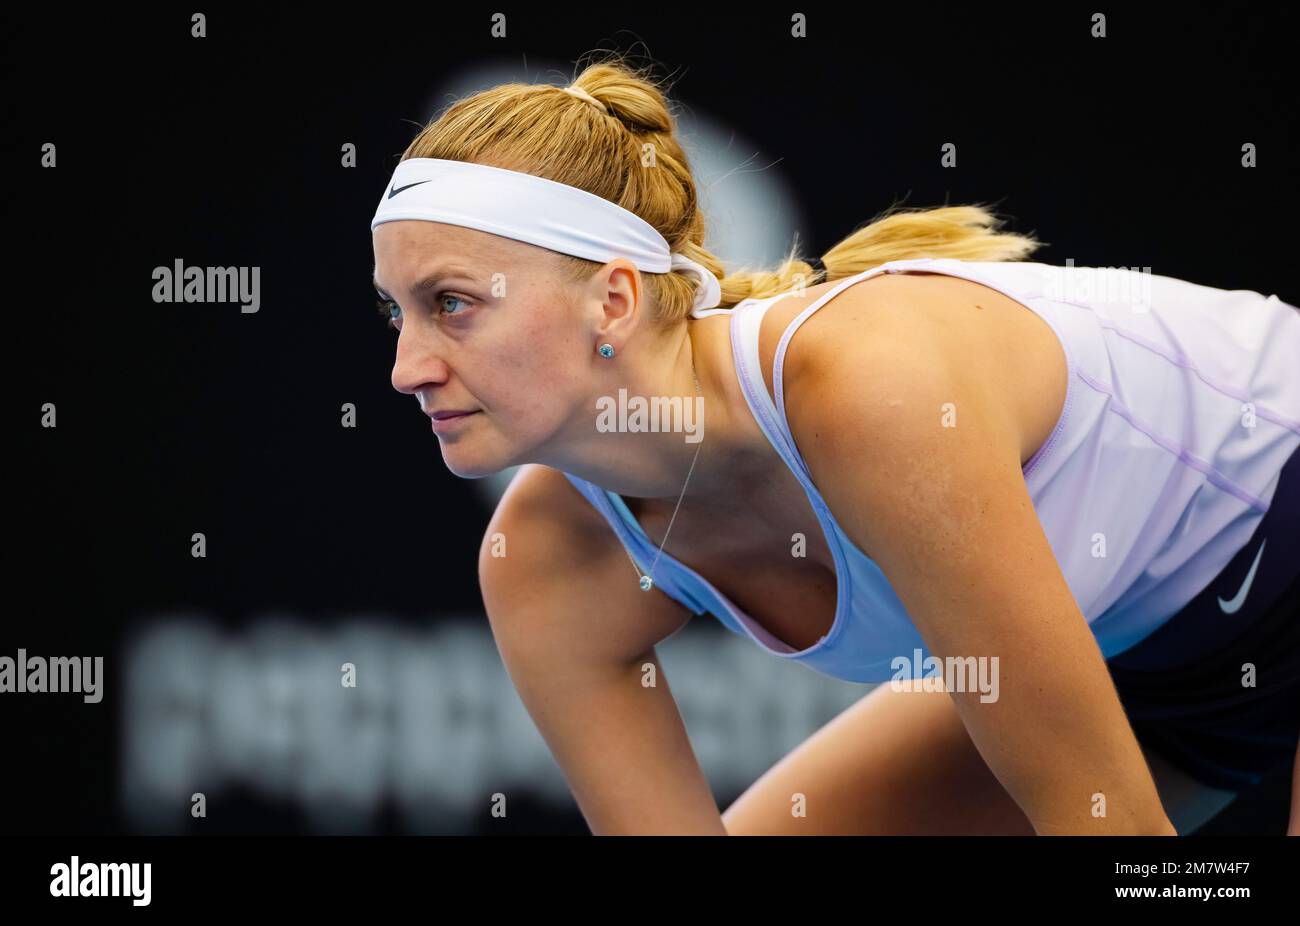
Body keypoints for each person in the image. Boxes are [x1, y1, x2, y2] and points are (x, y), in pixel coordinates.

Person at [370, 55, 1300, 835]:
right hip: (1140, 661)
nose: (408, 368)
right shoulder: (541, 563)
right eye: (397, 313)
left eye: (453, 303)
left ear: (612, 300)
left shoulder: (866, 393)